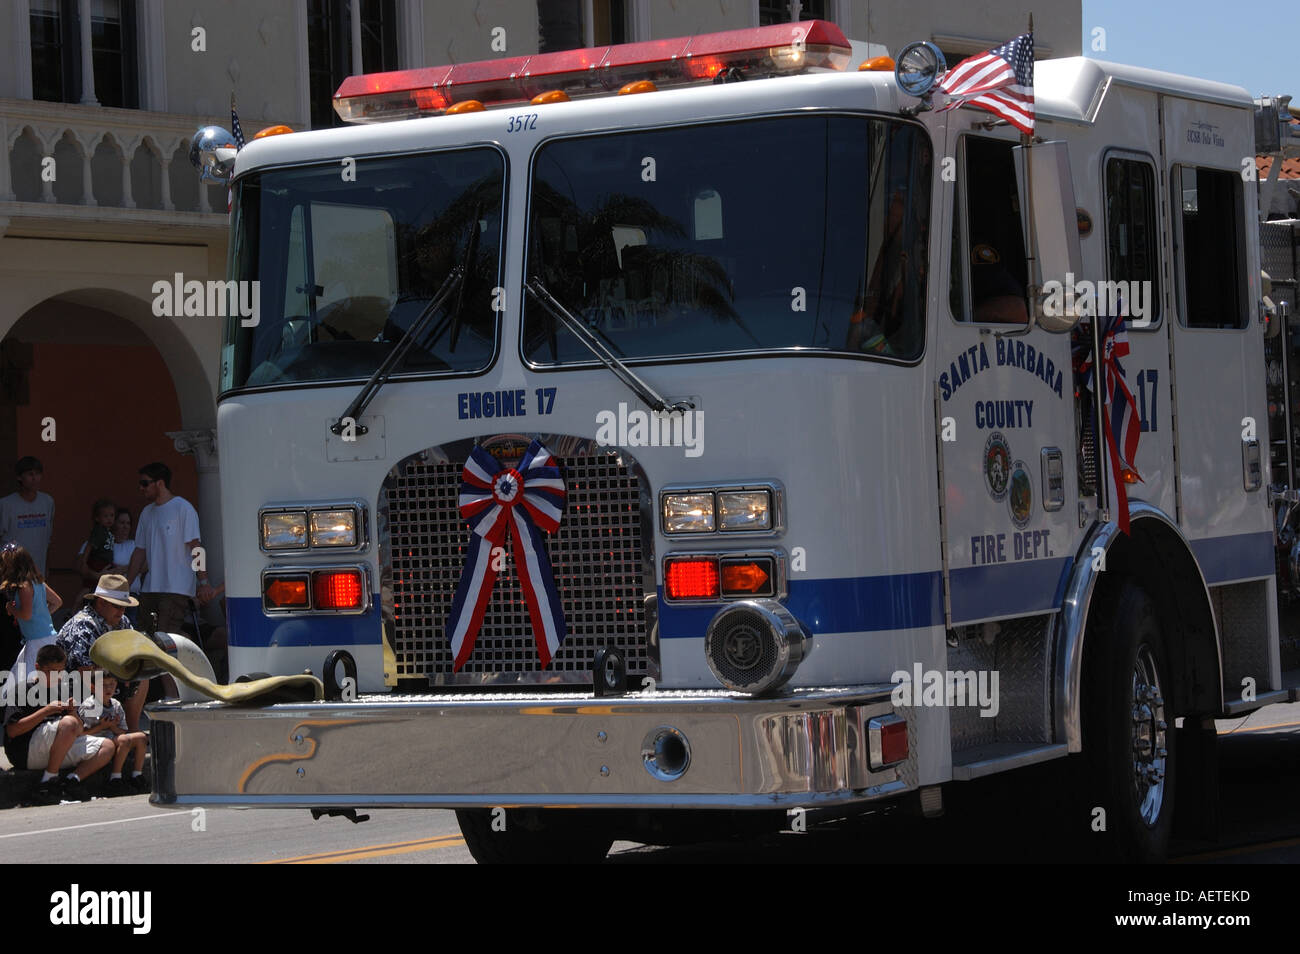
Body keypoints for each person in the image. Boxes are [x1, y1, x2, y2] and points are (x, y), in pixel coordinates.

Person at [3, 644, 114, 804]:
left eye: (60, 671)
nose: (56, 676)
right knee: (68, 723)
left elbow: (79, 730)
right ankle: (48, 781)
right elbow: (12, 731)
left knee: (107, 746)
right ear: (38, 668)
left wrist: (73, 711)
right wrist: (47, 710)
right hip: (26, 751)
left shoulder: (63, 689)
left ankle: (70, 782)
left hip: (57, 748)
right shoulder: (23, 690)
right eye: (51, 672)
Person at [127, 463, 214, 637]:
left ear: (159, 483)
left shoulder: (183, 508)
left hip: (176, 588)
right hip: (150, 588)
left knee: (165, 636)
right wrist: (126, 584)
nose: (141, 488)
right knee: (145, 635)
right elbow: (139, 551)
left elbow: (196, 548)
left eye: (145, 483)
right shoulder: (147, 512)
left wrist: (203, 582)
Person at [55, 573, 147, 731]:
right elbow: (84, 671)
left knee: (142, 675)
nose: (122, 611)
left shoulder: (122, 620)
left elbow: (134, 651)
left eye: (125, 606)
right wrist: (119, 673)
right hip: (74, 686)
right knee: (108, 679)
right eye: (117, 606)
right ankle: (97, 731)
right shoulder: (83, 624)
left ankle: (131, 732)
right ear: (101, 602)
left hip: (106, 679)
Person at [1, 542, 62, 683]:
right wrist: (41, 616)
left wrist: (11, 609)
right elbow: (57, 602)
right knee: (15, 678)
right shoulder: (38, 582)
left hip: (37, 641)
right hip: (45, 637)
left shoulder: (24, 586)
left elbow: (26, 615)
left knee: (26, 682)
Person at [80, 672, 148, 796]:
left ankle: (137, 775)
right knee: (123, 740)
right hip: (95, 740)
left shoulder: (116, 705)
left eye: (112, 684)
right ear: (93, 687)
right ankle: (115, 778)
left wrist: (112, 727)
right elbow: (82, 733)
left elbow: (123, 730)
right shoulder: (89, 705)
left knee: (141, 737)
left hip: (113, 736)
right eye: (103, 685)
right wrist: (102, 726)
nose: (108, 688)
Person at [0, 456, 56, 576]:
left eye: (38, 474)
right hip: (13, 573)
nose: (35, 478)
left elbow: (47, 539)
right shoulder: (6, 504)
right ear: (19, 477)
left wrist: (47, 566)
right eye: (30, 474)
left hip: (38, 572)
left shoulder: (47, 502)